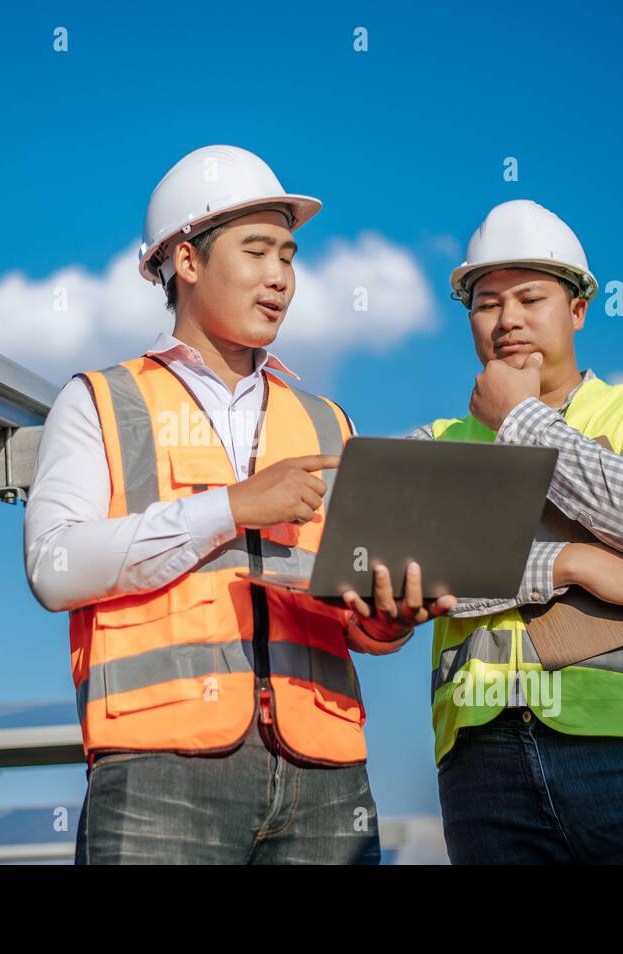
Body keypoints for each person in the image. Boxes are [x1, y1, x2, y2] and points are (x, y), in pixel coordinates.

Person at [24, 145, 455, 864]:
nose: (280, 277)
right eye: (256, 252)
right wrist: (230, 507)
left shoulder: (327, 422)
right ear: (186, 261)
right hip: (159, 771)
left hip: (326, 775)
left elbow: (347, 612)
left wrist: (386, 622)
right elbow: (54, 566)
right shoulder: (100, 402)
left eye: (288, 255)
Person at [408, 199, 623, 864]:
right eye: (486, 302)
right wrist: (574, 563)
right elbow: (412, 570)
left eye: (530, 297)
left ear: (577, 310)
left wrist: (521, 420)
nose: (508, 320)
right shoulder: (437, 444)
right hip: (483, 769)